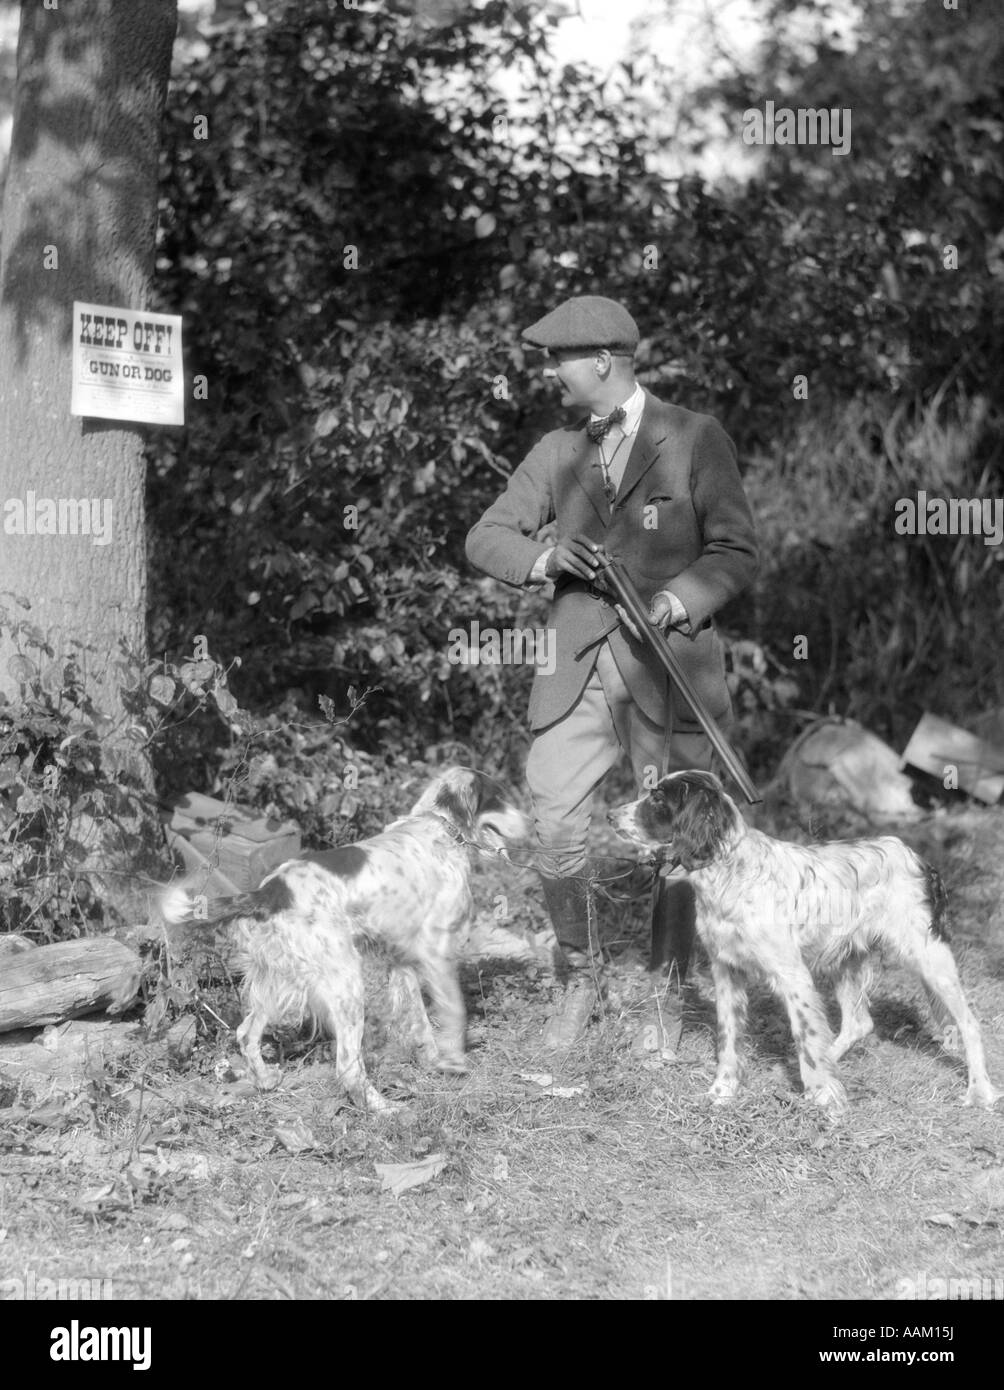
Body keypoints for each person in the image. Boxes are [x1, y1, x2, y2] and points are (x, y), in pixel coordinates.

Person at [465, 295, 757, 1053]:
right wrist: (542, 559)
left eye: (559, 357)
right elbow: (485, 535)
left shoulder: (695, 437)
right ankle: (577, 975)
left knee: (677, 834)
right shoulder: (558, 452)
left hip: (668, 665)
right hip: (576, 669)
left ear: (603, 361)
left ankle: (666, 988)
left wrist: (673, 600)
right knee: (555, 816)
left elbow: (735, 551)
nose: (550, 371)